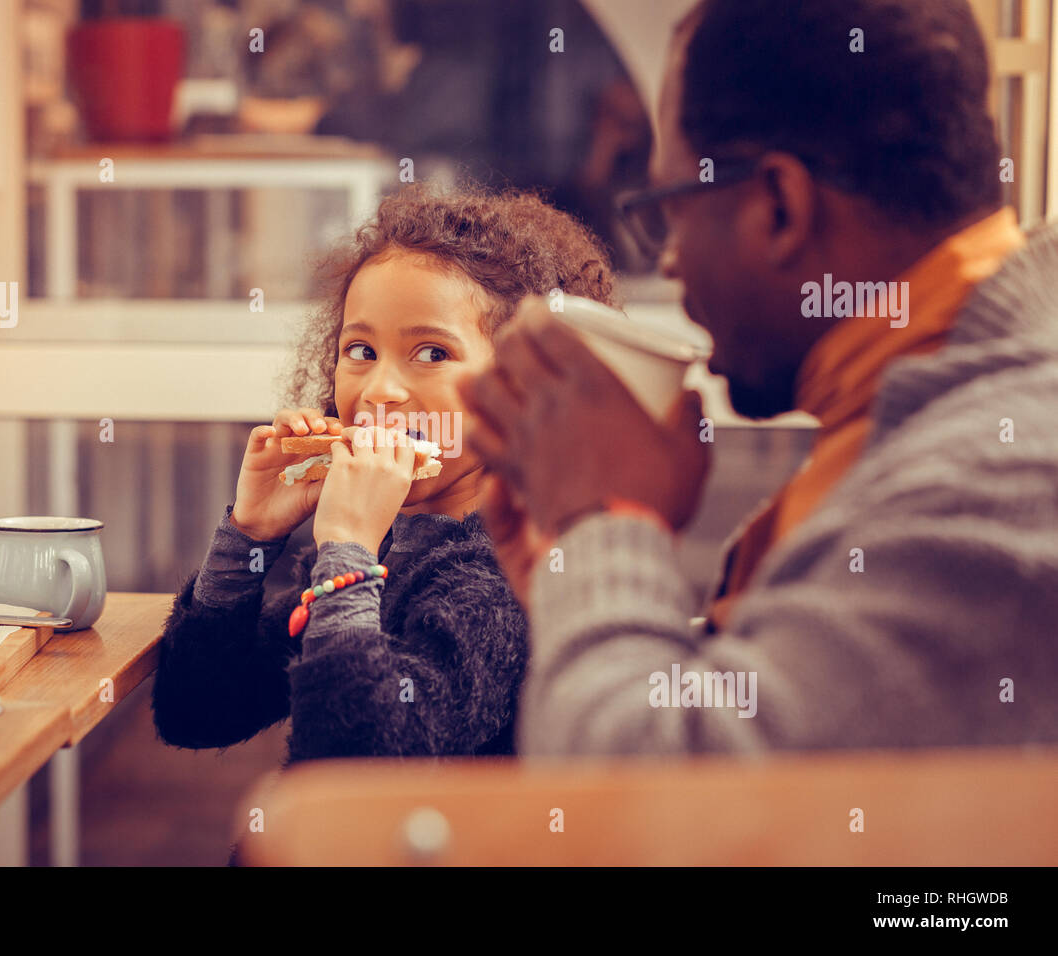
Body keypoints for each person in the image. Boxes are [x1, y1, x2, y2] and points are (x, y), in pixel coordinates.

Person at [461, 0, 1058, 755]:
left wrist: (603, 521)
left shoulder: (999, 480)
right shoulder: (932, 402)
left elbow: (661, 817)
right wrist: (576, 583)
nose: (670, 260)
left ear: (779, 206)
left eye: (671, 210)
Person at [152, 185, 614, 767]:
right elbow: (196, 709)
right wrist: (249, 536)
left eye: (432, 353)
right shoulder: (389, 546)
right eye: (362, 351)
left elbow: (358, 757)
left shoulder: (504, 582)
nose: (379, 393)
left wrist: (347, 551)